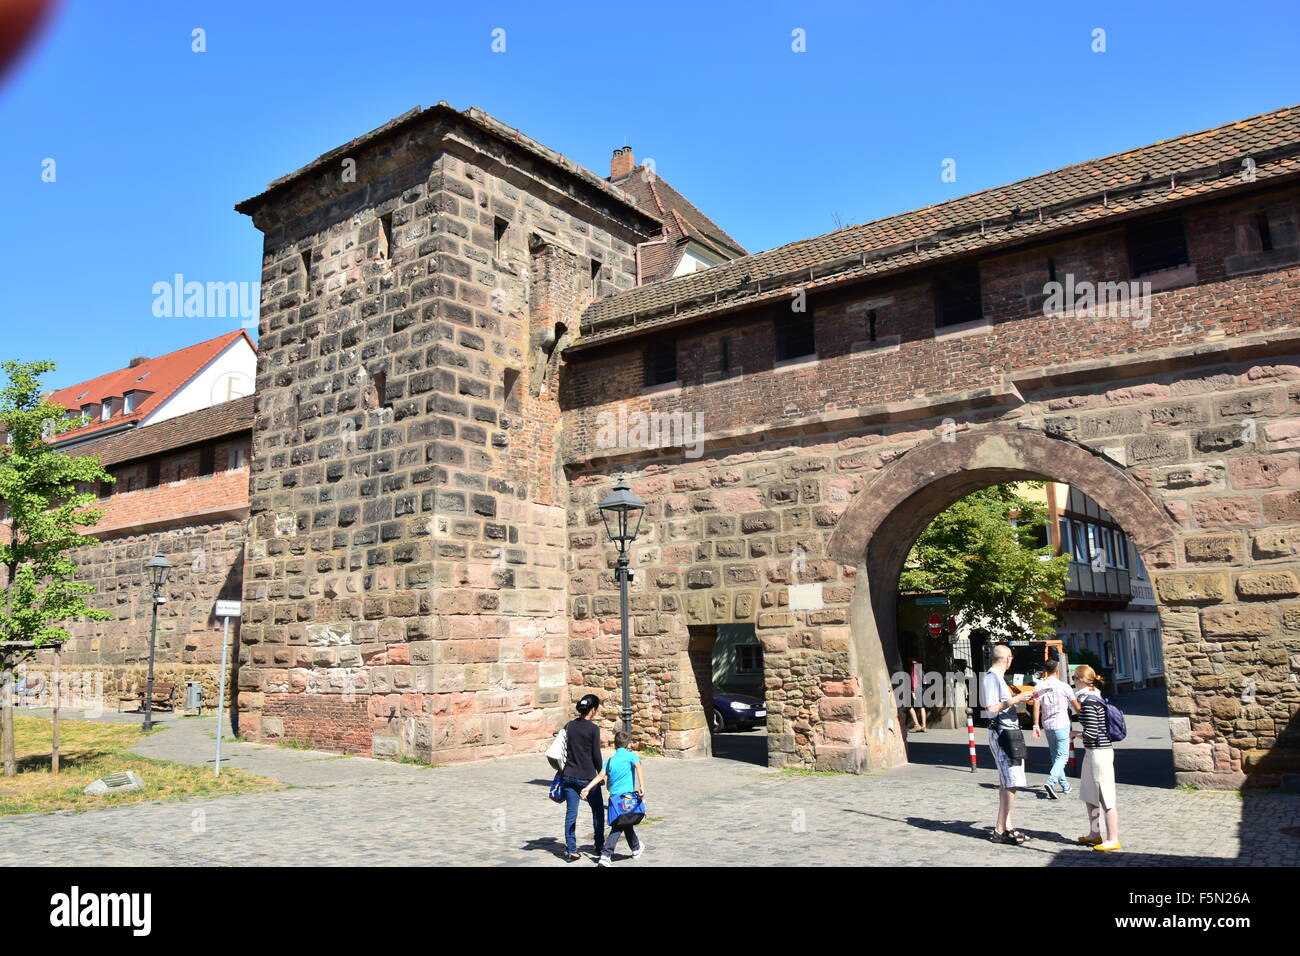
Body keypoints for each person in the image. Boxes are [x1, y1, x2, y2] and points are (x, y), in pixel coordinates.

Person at [983, 643, 1035, 845]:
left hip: (1009, 731)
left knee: (1008, 781)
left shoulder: (997, 678)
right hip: (1002, 733)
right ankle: (999, 830)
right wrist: (1016, 700)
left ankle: (1007, 826)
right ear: (1006, 659)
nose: (1012, 660)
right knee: (1012, 781)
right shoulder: (991, 678)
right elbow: (991, 709)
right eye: (1011, 657)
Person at [1071, 665, 1121, 851]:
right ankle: (1094, 833)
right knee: (1089, 794)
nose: (1073, 681)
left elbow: (1092, 732)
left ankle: (1113, 838)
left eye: (1074, 677)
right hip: (1093, 752)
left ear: (1081, 679)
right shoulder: (1090, 697)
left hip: (1099, 752)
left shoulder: (1090, 701)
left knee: (1106, 796)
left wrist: (1076, 734)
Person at [581, 729, 646, 866]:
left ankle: (636, 847)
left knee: (624, 822)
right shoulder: (631, 756)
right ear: (628, 745)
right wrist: (642, 786)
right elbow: (638, 767)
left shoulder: (609, 761)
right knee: (619, 825)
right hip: (627, 799)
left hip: (614, 799)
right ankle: (606, 855)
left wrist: (587, 788)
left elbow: (600, 776)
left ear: (614, 745)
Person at [559, 693, 605, 861]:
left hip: (569, 776)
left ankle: (571, 850)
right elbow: (596, 755)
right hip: (587, 778)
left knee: (571, 813)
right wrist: (601, 774)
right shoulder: (593, 729)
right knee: (598, 812)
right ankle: (599, 846)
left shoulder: (569, 725)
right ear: (592, 710)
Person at [1031, 656, 1079, 799]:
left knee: (1055, 756)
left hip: (1048, 725)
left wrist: (1035, 724)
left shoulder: (1039, 686)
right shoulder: (1065, 687)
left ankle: (1065, 785)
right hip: (1062, 724)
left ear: (1045, 670)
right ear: (1057, 670)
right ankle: (1051, 782)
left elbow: (1036, 707)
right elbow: (1076, 706)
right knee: (1063, 756)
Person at [905, 655, 927, 733]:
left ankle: (917, 725)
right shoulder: (921, 666)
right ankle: (924, 726)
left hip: (917, 689)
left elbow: (914, 680)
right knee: (922, 706)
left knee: (909, 706)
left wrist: (913, 691)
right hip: (923, 688)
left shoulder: (914, 667)